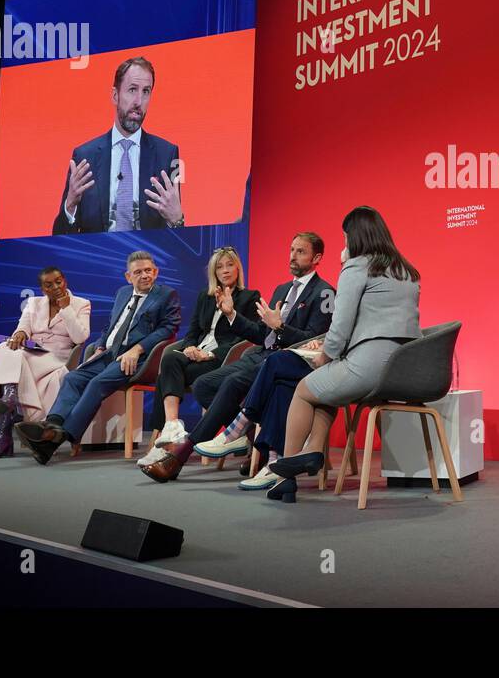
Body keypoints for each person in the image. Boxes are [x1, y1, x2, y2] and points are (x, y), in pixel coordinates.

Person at [137, 233, 335, 481]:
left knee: (232, 384)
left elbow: (313, 343)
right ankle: (250, 440)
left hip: (286, 361)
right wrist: (231, 315)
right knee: (204, 385)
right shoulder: (282, 289)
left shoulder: (324, 292)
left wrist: (281, 328)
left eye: (301, 252)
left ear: (316, 258)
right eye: (291, 250)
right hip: (261, 354)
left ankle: (181, 455)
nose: (292, 257)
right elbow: (260, 334)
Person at [265, 206, 421, 503]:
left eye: (346, 236)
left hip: (370, 366)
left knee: (304, 389)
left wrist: (326, 354)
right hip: (404, 371)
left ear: (355, 236)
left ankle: (284, 476)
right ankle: (312, 451)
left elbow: (341, 323)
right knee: (327, 387)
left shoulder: (357, 265)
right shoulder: (407, 270)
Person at [16, 250, 180, 464]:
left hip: (139, 358)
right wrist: (101, 347)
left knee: (96, 383)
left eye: (148, 270)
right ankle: (52, 426)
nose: (144, 275)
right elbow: (111, 326)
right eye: (138, 272)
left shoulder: (166, 295)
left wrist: (138, 348)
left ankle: (54, 439)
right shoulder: (123, 292)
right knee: (73, 378)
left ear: (156, 272)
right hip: (109, 353)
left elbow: (169, 328)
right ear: (128, 277)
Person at [51, 56, 184, 234]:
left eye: (146, 91)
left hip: (148, 257)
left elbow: (178, 234)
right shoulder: (84, 156)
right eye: (132, 90)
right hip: (99, 256)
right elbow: (60, 237)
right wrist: (70, 206)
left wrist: (177, 219)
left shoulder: (168, 154)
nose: (139, 101)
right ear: (115, 95)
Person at [144, 246, 259, 450]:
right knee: (170, 359)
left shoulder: (250, 297)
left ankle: (165, 440)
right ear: (214, 273)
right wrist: (189, 347)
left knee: (166, 376)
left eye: (230, 265)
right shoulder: (204, 297)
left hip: (223, 360)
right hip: (197, 354)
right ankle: (172, 426)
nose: (225, 271)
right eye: (220, 267)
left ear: (238, 269)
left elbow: (245, 339)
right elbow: (193, 331)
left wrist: (210, 354)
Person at [0, 267, 91, 459]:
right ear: (42, 289)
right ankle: (10, 397)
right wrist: (20, 334)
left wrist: (66, 309)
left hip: (56, 358)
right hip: (30, 354)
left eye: (58, 281)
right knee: (6, 347)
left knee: (11, 356)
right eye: (49, 285)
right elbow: (23, 326)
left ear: (65, 281)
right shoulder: (34, 303)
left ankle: (3, 437)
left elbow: (80, 337)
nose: (56, 287)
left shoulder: (81, 304)